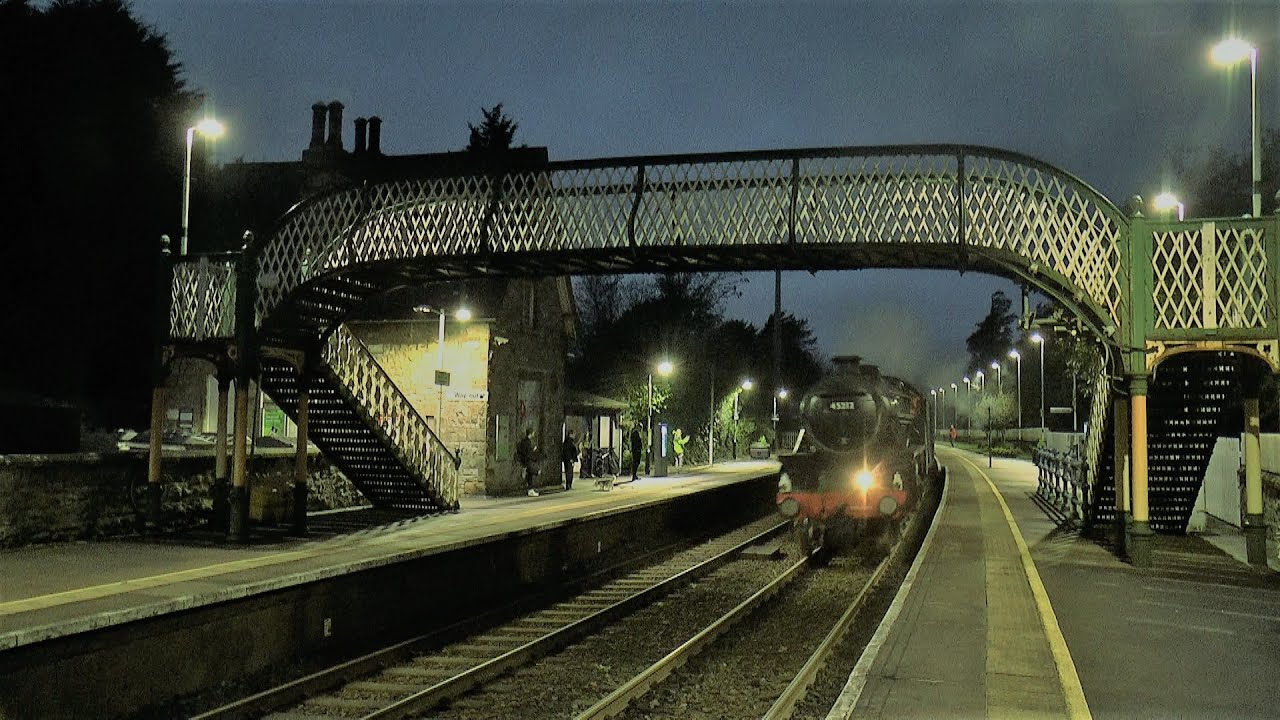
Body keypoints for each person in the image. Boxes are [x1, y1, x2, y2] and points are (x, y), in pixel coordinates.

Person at [517, 428, 538, 496]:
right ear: (531, 433)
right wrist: (533, 450)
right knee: (530, 474)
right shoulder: (528, 442)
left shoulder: (523, 441)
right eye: (533, 433)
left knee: (528, 475)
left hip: (524, 460)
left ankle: (529, 489)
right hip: (527, 460)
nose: (534, 434)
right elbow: (528, 452)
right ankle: (530, 490)